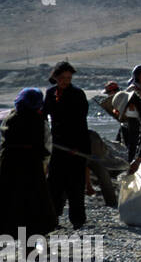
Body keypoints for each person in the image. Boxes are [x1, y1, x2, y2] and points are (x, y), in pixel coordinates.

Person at [0, 88, 57, 237]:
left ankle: (9, 231)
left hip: (8, 163)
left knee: (9, 198)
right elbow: (47, 145)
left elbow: (3, 141)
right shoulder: (40, 121)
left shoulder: (9, 118)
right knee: (33, 200)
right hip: (31, 164)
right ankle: (32, 237)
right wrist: (45, 164)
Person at [43, 62, 91, 230]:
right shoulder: (50, 94)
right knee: (54, 184)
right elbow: (44, 118)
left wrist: (81, 148)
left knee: (75, 186)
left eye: (69, 78)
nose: (65, 81)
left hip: (75, 147)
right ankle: (52, 219)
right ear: (56, 77)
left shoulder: (78, 94)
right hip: (56, 147)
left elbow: (82, 123)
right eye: (62, 78)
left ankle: (78, 220)